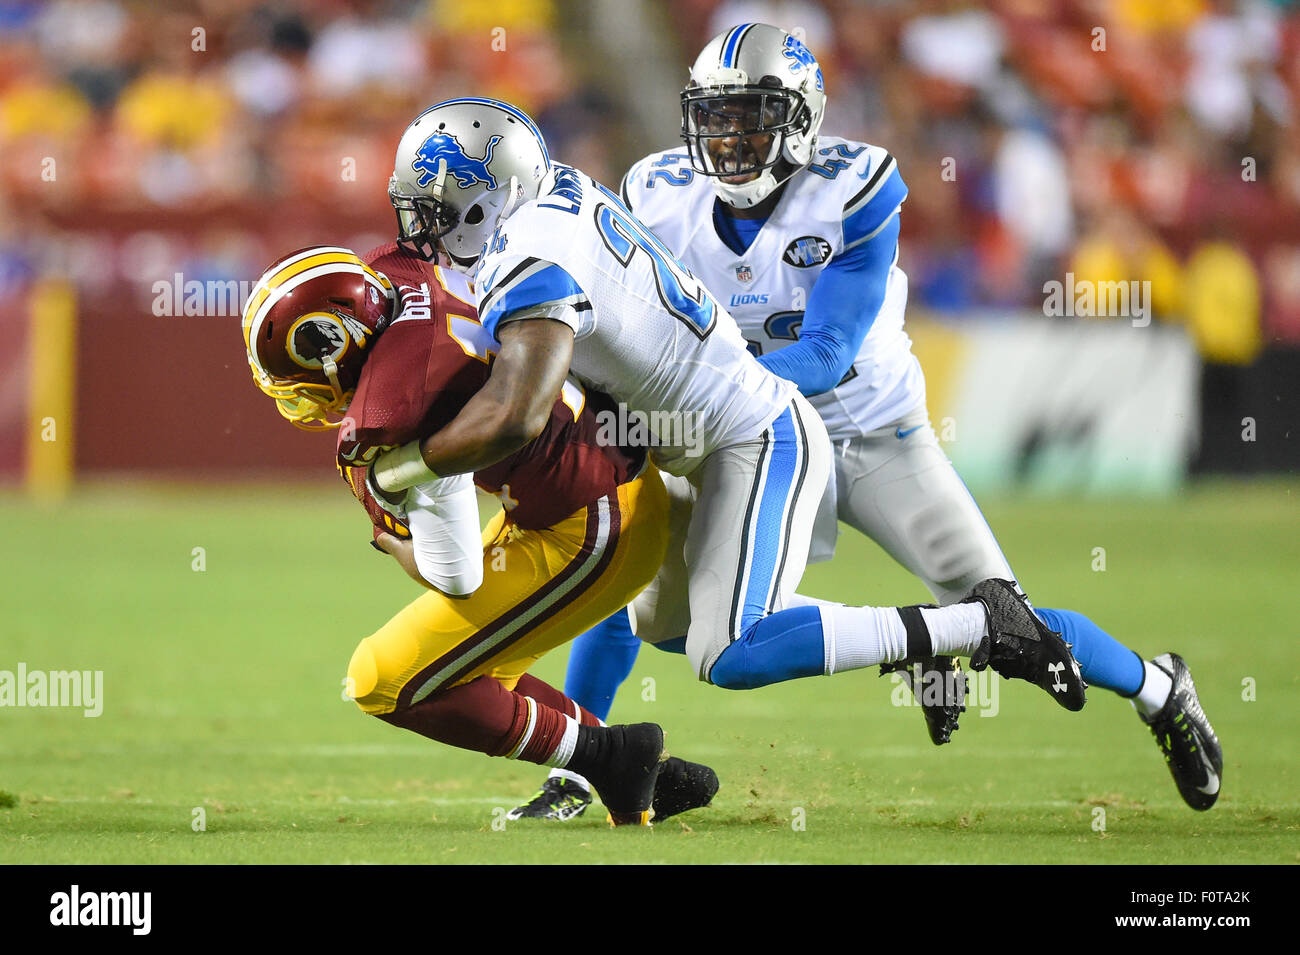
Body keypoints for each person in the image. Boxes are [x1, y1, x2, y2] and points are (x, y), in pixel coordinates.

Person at [516, 24, 1222, 821]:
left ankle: (1159, 689)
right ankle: (579, 770)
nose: (730, 139)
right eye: (715, 117)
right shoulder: (656, 192)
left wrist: (696, 393)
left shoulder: (853, 187)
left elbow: (824, 350)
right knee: (640, 574)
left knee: (1006, 621)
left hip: (867, 431)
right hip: (744, 439)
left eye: (751, 116)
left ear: (802, 118)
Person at [370, 97, 1090, 816]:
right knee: (660, 623)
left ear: (488, 197)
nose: (423, 229)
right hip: (696, 442)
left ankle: (979, 622)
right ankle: (904, 642)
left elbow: (518, 411)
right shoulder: (550, 194)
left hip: (753, 433)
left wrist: (400, 468)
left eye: (436, 210)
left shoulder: (531, 251)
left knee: (729, 651)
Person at [241, 244, 719, 826]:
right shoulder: (399, 278)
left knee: (384, 680)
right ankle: (646, 774)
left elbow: (457, 575)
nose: (305, 394)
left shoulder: (393, 406)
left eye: (304, 374)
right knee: (468, 668)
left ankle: (612, 756)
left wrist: (395, 540)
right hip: (592, 487)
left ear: (333, 341)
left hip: (594, 524)